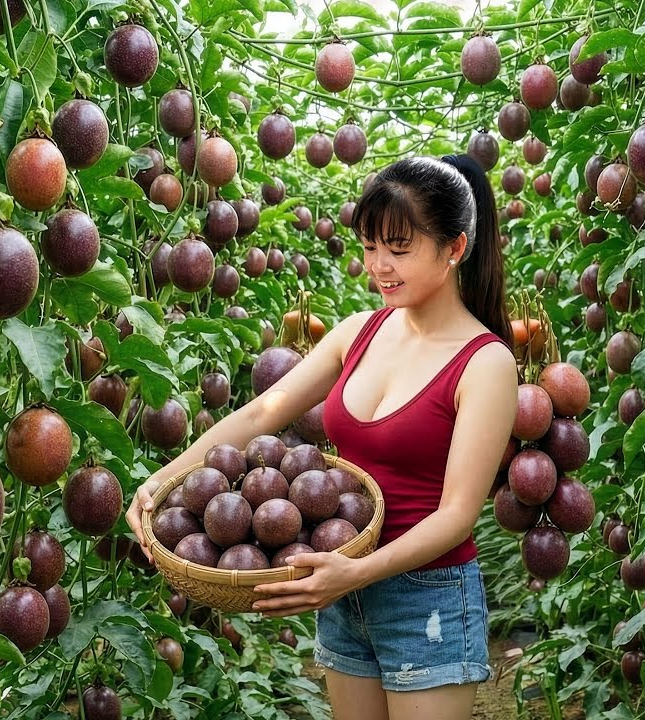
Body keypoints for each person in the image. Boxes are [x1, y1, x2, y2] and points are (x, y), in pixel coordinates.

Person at [127, 154, 519, 720]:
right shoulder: (360, 332)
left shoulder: (486, 363)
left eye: (399, 248)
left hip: (426, 597)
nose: (379, 266)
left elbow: (457, 515)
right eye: (370, 246)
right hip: (339, 584)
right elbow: (263, 412)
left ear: (454, 248)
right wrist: (161, 481)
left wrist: (355, 571)